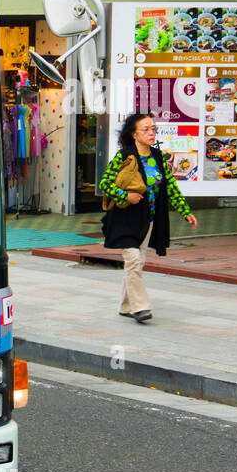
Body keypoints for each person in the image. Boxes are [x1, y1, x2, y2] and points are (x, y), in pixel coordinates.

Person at [100, 114, 197, 323]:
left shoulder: (159, 157)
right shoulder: (124, 156)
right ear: (134, 134)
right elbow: (105, 184)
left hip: (148, 219)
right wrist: (126, 196)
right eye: (145, 129)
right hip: (125, 218)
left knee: (138, 262)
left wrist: (185, 211)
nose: (151, 133)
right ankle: (141, 307)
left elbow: (170, 186)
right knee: (133, 260)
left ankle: (126, 306)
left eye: (153, 128)